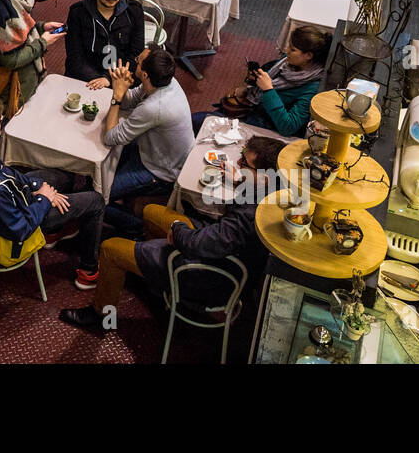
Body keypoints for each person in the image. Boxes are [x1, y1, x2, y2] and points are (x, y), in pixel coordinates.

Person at [58, 136, 284, 332]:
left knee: (110, 249)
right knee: (151, 211)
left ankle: (101, 315)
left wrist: (177, 231)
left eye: (245, 162)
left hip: (213, 275)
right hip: (219, 249)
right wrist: (241, 178)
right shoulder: (275, 188)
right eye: (242, 155)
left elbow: (200, 245)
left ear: (265, 176)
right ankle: (153, 279)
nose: (238, 162)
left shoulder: (249, 215)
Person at [0, 96, 104, 289]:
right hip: (14, 229)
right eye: (0, 123)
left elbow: (5, 174)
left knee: (64, 176)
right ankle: (88, 272)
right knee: (96, 201)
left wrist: (35, 186)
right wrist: (43, 199)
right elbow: (19, 229)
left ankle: (52, 232)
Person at [100, 46, 194, 235]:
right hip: (154, 153)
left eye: (139, 59)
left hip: (161, 171)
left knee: (99, 197)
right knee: (108, 165)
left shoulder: (155, 107)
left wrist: (116, 97)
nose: (135, 59)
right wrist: (121, 85)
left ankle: (134, 227)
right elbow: (132, 100)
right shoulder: (165, 81)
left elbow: (110, 137)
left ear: (144, 74)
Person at [195, 26, 332, 139]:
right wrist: (251, 85)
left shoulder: (312, 89)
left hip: (263, 128)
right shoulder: (286, 63)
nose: (286, 51)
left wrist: (268, 90)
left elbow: (288, 127)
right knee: (199, 122)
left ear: (308, 56)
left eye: (293, 49)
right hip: (251, 111)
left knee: (199, 123)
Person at [64, 0, 147, 90]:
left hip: (121, 77)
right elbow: (75, 58)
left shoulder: (134, 12)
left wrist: (109, 79)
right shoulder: (78, 13)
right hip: (86, 79)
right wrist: (100, 81)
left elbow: (135, 55)